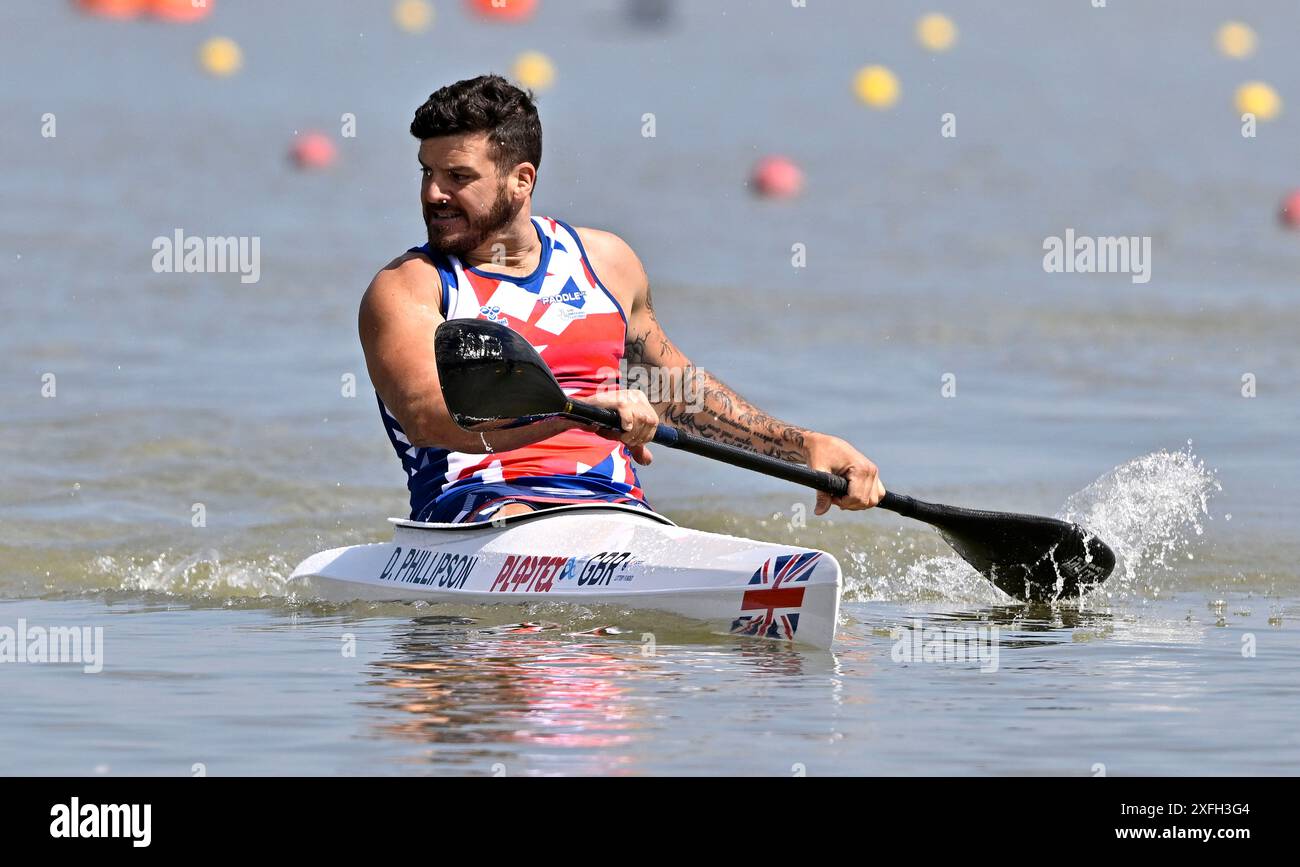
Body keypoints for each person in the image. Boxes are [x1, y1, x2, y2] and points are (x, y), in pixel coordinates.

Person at [361, 74, 885, 524]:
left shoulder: (606, 262)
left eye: (458, 177)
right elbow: (426, 418)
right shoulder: (411, 286)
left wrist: (800, 445)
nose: (434, 193)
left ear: (522, 181)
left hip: (612, 513)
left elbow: (674, 391)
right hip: (478, 513)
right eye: (427, 173)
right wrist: (574, 415)